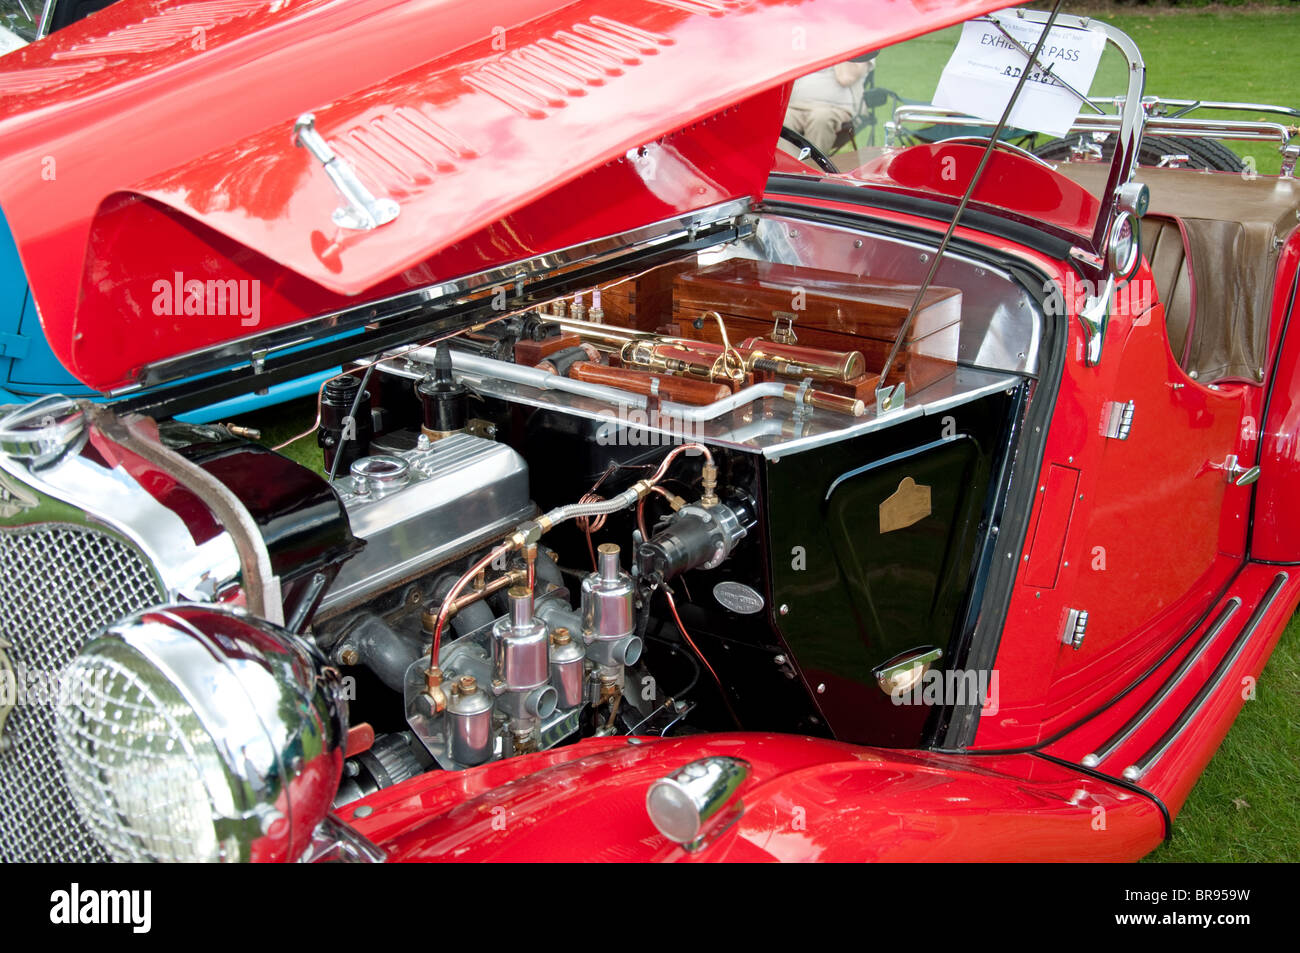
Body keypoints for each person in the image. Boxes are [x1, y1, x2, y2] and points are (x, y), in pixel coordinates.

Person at [784, 56, 875, 156]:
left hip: (835, 108)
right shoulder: (804, 43)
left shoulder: (860, 45)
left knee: (820, 118)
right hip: (796, 106)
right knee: (778, 120)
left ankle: (810, 167)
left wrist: (836, 45)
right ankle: (789, 168)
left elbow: (846, 77)